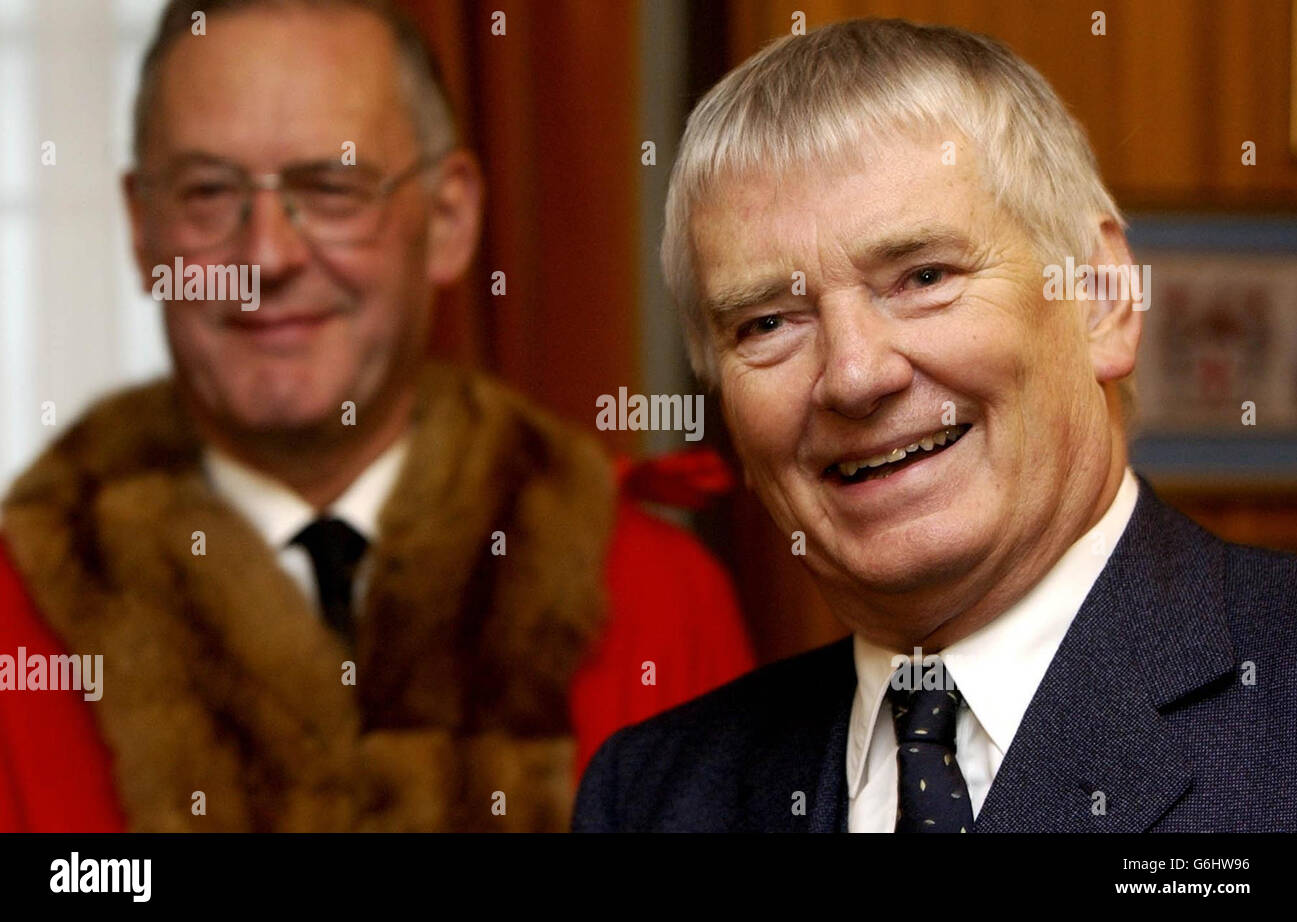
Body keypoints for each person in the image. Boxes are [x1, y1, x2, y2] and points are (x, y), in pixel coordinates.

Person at [0, 0, 754, 832]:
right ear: (143, 229)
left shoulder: (651, 594)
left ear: (448, 217)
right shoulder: (15, 620)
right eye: (208, 191)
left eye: (330, 188)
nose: (266, 257)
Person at [574, 17, 1297, 833]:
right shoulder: (653, 798)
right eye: (769, 323)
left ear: (1101, 298)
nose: (854, 375)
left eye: (923, 276)